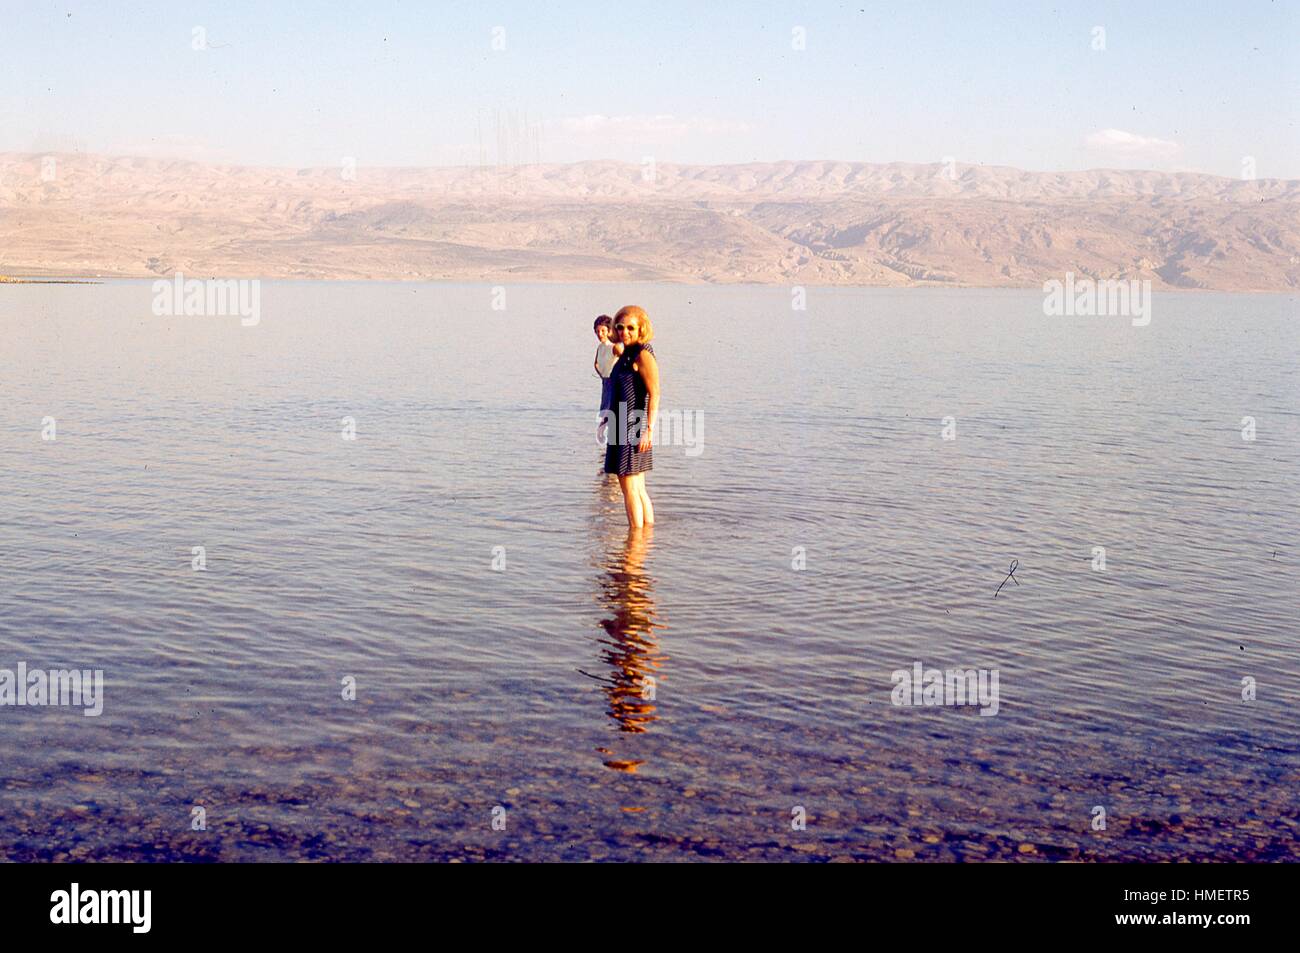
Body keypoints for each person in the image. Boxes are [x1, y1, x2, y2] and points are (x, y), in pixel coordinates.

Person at [603, 305, 659, 527]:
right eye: (620, 327)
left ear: (641, 329)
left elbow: (655, 393)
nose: (624, 331)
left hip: (631, 426)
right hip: (620, 424)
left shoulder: (643, 353)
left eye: (630, 328)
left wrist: (649, 430)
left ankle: (634, 541)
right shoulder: (626, 352)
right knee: (636, 488)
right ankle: (644, 539)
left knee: (630, 489)